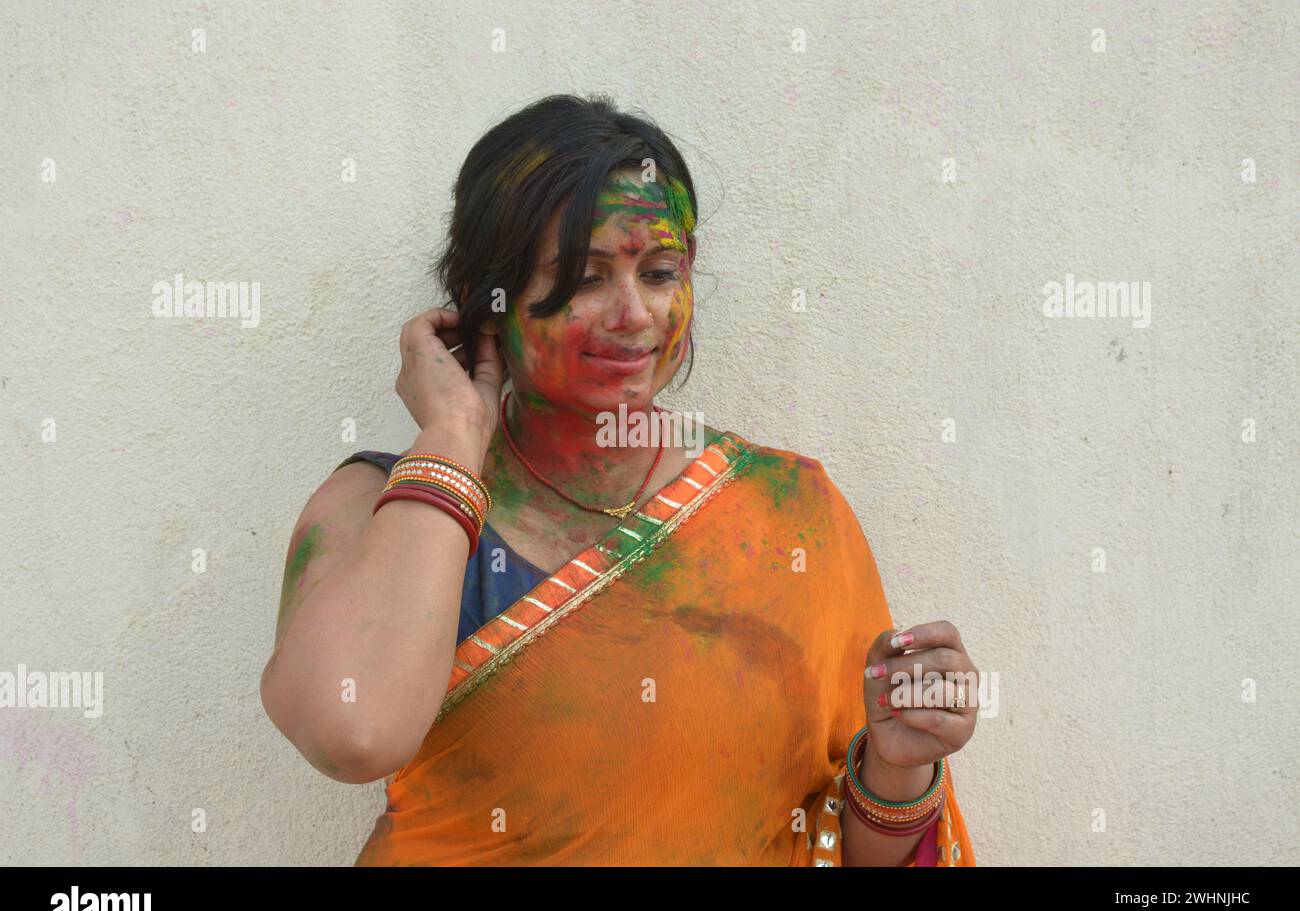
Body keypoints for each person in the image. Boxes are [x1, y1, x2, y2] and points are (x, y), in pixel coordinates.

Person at [260, 93, 979, 866]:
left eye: (660, 272)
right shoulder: (377, 510)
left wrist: (901, 768)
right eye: (584, 277)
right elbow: (353, 733)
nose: (633, 314)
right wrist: (451, 437)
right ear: (488, 300)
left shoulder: (790, 516)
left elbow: (841, 845)